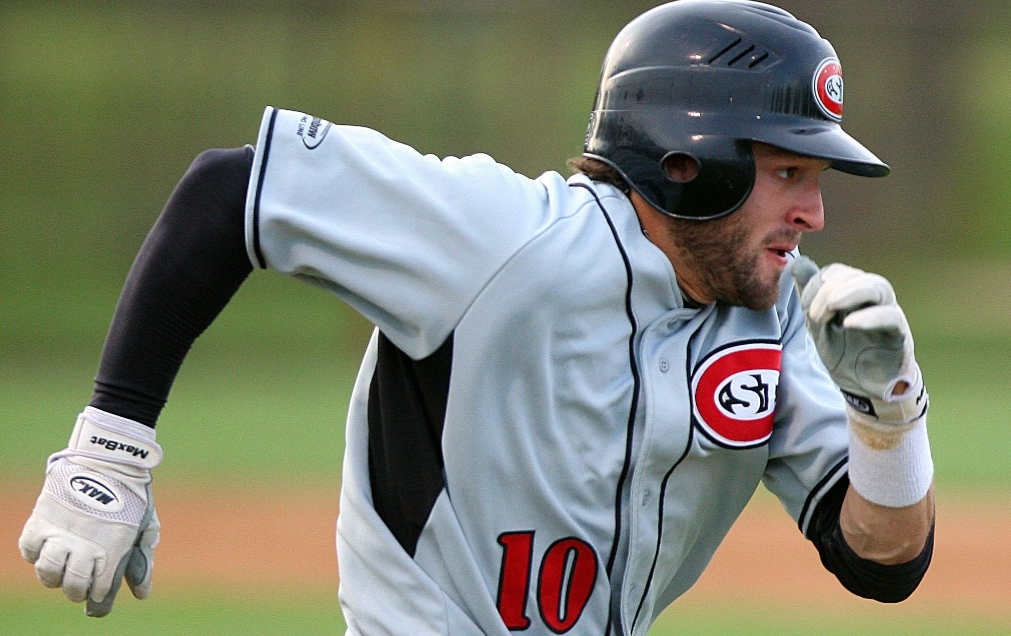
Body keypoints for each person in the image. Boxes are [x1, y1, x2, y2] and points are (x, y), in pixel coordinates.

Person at [19, 1, 935, 634]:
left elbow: (881, 563)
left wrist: (887, 415)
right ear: (688, 160)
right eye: (788, 174)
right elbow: (232, 192)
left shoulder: (779, 318)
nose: (813, 214)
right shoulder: (508, 237)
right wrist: (111, 445)